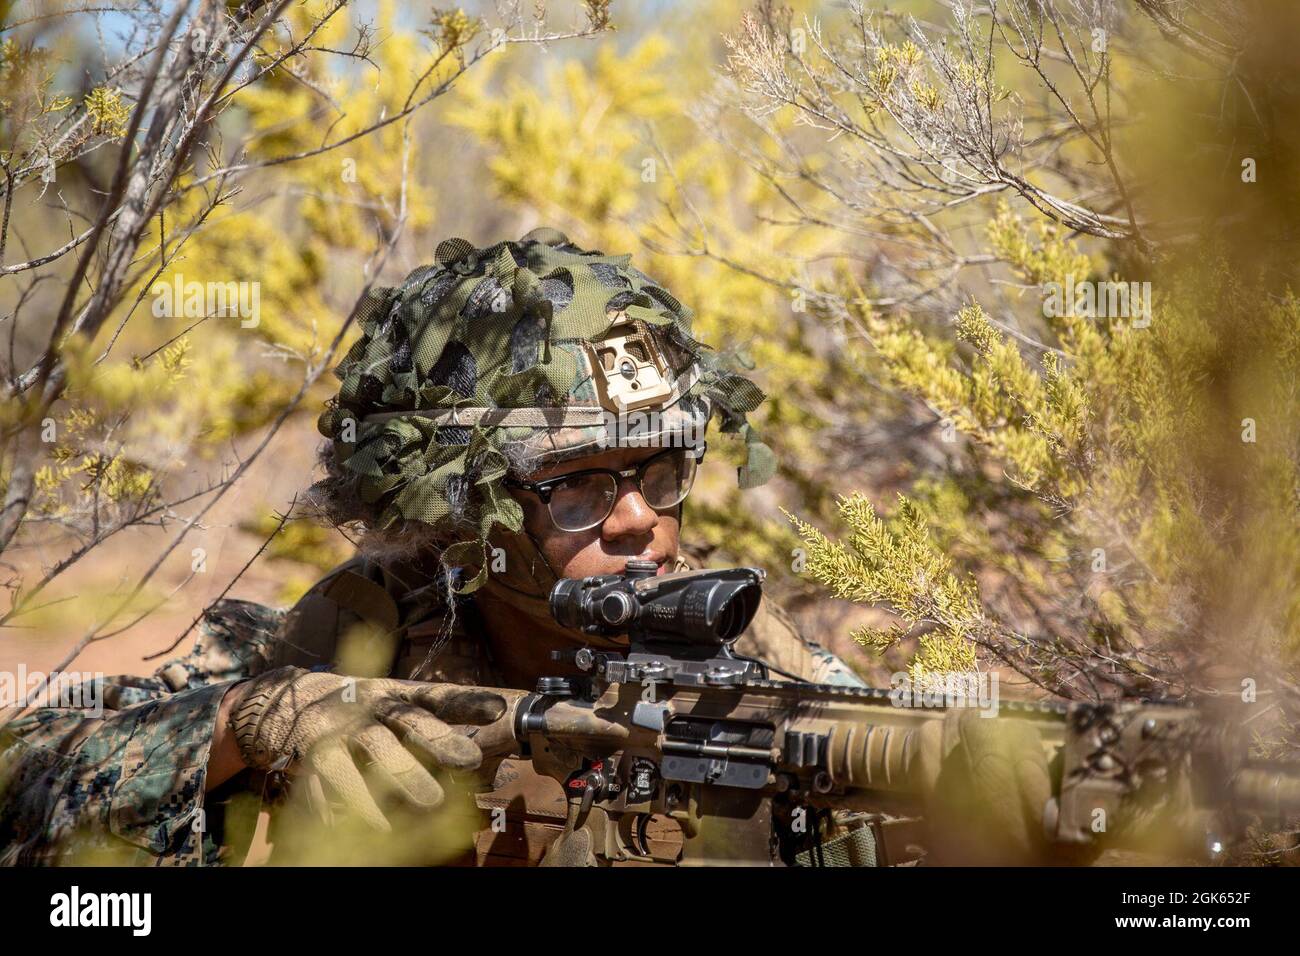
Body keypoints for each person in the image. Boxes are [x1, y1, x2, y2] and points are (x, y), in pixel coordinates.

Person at [0, 229, 1048, 866]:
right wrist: (258, 721)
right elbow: (27, 783)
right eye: (580, 483)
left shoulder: (751, 665)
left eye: (660, 471)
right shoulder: (360, 634)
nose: (639, 518)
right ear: (463, 506)